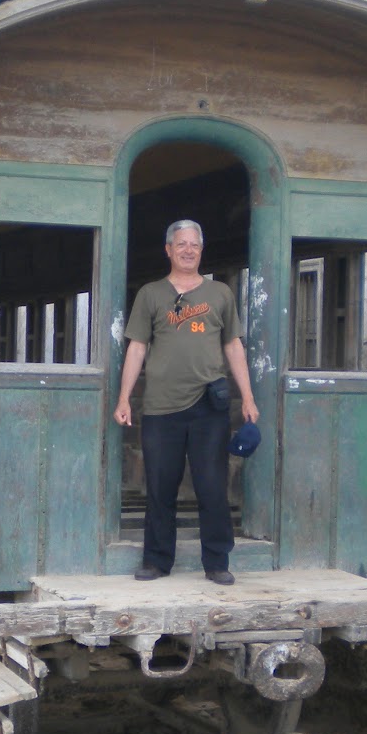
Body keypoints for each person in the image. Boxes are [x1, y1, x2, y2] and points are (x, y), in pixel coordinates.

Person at [114, 219, 258, 586]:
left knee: (212, 484)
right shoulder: (150, 294)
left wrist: (249, 397)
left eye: (194, 244)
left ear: (201, 249)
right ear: (169, 250)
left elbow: (233, 345)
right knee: (161, 485)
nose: (188, 250)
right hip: (162, 407)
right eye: (181, 244)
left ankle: (217, 561)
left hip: (209, 404)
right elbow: (137, 347)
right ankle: (156, 560)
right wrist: (124, 397)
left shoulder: (220, 294)